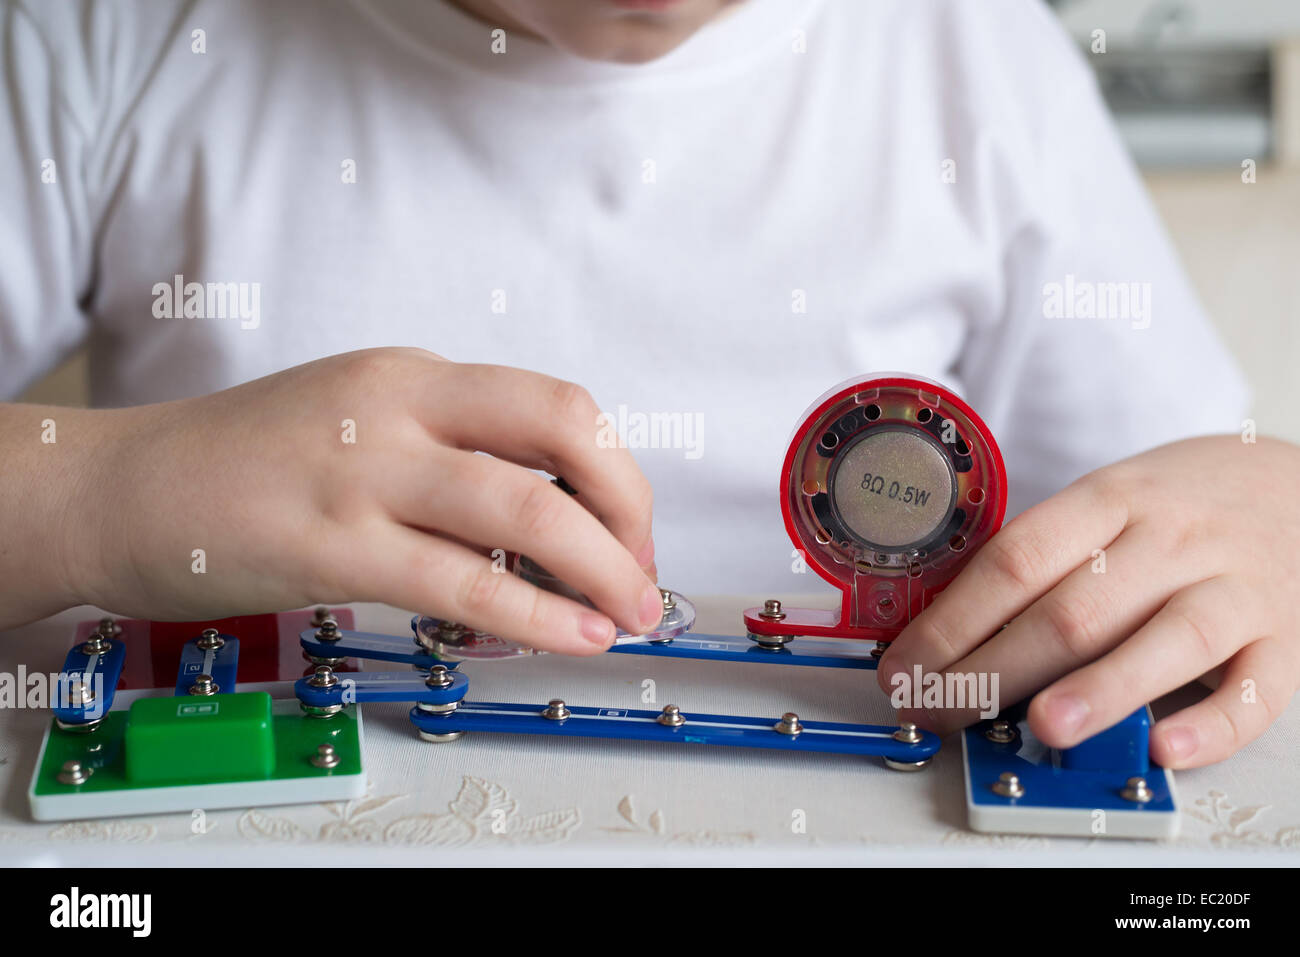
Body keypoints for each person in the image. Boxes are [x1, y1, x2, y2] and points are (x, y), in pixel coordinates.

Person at [1, 0, 1294, 769]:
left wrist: (1277, 507)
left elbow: (1191, 527)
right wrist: (107, 488)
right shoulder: (111, 36)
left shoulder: (971, 52)